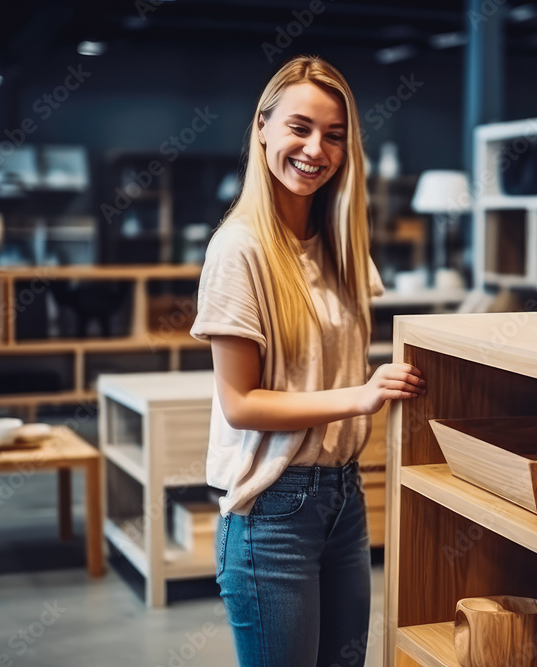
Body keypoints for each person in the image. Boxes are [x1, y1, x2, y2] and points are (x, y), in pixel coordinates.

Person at [188, 55, 426, 667]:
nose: (316, 149)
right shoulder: (238, 249)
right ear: (262, 127)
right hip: (273, 509)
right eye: (299, 127)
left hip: (343, 497)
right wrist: (361, 395)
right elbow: (241, 404)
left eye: (334, 135)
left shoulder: (341, 245)